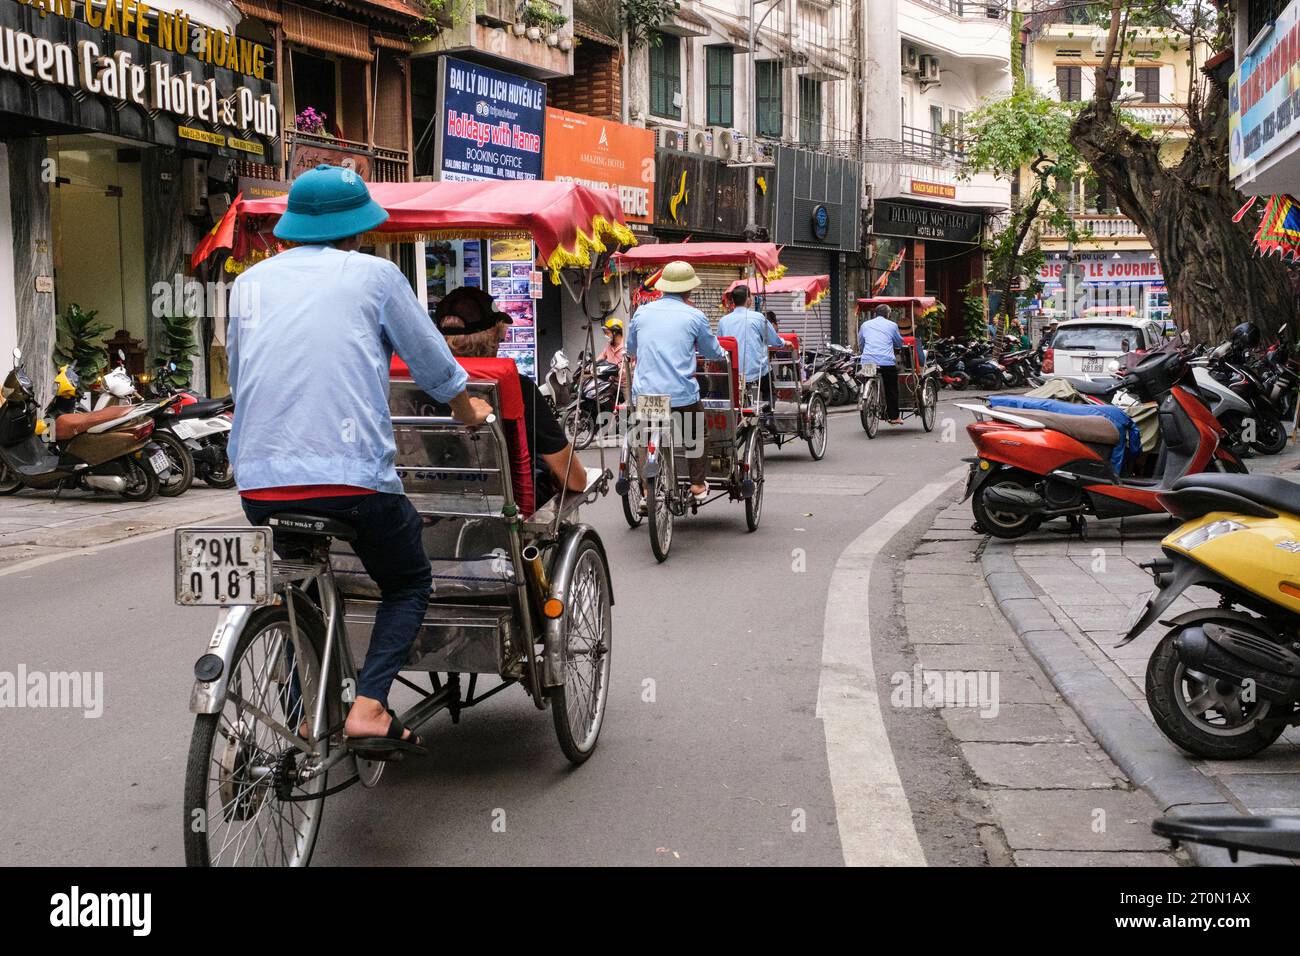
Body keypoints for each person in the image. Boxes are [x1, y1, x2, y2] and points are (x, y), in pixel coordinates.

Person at [227, 163, 493, 760]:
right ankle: (370, 705)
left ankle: (303, 720)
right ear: (357, 229)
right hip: (353, 484)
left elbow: (242, 376)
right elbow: (430, 361)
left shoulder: (249, 283)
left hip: (261, 484)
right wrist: (464, 406)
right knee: (406, 581)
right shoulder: (376, 275)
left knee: (298, 591)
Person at [433, 286, 588, 507]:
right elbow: (575, 480)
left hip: (435, 501)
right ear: (494, 339)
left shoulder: (420, 385)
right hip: (510, 506)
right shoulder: (517, 386)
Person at [625, 260, 726, 501]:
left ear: (663, 287)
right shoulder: (695, 315)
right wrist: (722, 354)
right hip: (681, 394)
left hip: (646, 394)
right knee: (697, 433)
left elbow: (631, 348)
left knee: (644, 435)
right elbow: (712, 352)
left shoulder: (642, 312)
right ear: (689, 289)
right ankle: (698, 485)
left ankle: (646, 490)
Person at [717, 284, 783, 402]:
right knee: (769, 390)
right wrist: (783, 342)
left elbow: (720, 344)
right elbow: (774, 340)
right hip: (757, 371)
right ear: (748, 299)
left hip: (733, 372)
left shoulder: (723, 321)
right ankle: (769, 415)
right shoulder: (757, 317)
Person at [858, 303, 905, 425]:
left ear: (875, 314)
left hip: (867, 360)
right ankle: (894, 417)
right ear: (888, 314)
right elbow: (899, 343)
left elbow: (861, 343)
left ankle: (865, 393)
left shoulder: (865, 325)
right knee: (891, 388)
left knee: (866, 379)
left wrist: (864, 352)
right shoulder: (892, 325)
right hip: (886, 362)